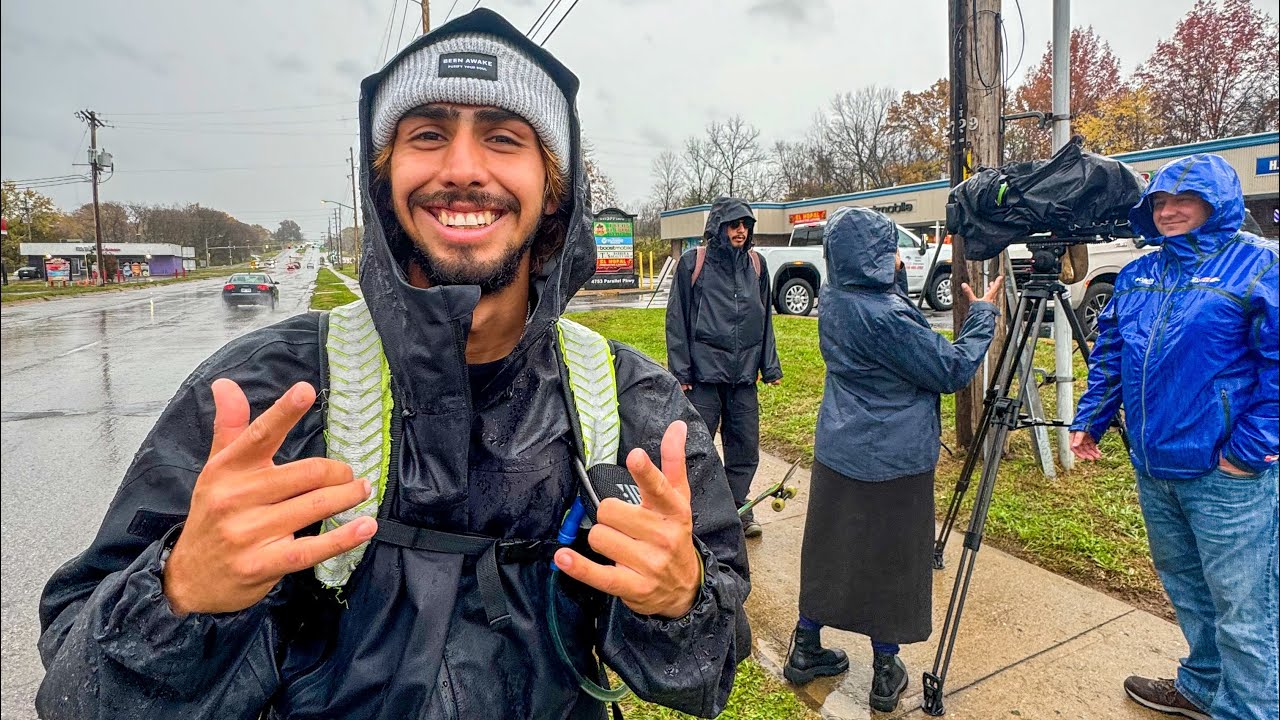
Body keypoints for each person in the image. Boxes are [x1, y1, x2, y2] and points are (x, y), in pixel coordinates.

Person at [35, 10, 750, 720]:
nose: (463, 169)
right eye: (428, 134)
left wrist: (678, 600)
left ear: (554, 189)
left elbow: (709, 675)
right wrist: (181, 594)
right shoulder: (266, 394)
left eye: (503, 138)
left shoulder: (633, 405)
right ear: (382, 180)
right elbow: (77, 694)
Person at [1070, 154, 1278, 720]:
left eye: (1183, 201)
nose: (1168, 211)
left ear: (1218, 205)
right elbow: (1112, 354)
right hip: (1154, 466)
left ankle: (1251, 710)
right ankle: (1202, 687)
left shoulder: (1258, 267)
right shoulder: (1140, 274)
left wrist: (1249, 452)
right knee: (1187, 588)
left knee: (1245, 608)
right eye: (1160, 201)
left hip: (1226, 476)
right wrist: (1090, 418)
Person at [783, 206, 1001, 713]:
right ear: (880, 256)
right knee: (892, 559)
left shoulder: (836, 297)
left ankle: (806, 646)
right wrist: (983, 316)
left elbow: (886, 322)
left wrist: (894, 284)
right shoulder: (887, 315)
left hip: (840, 445)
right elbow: (950, 369)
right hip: (894, 455)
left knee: (830, 549)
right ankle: (886, 670)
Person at [665, 197, 783, 538]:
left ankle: (737, 507)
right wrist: (681, 370)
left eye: (746, 224)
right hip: (702, 376)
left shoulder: (757, 266)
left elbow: (765, 321)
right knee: (698, 445)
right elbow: (677, 318)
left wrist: (769, 366)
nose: (741, 231)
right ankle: (700, 509)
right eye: (734, 224)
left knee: (744, 445)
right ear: (718, 228)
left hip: (743, 375)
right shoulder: (693, 264)